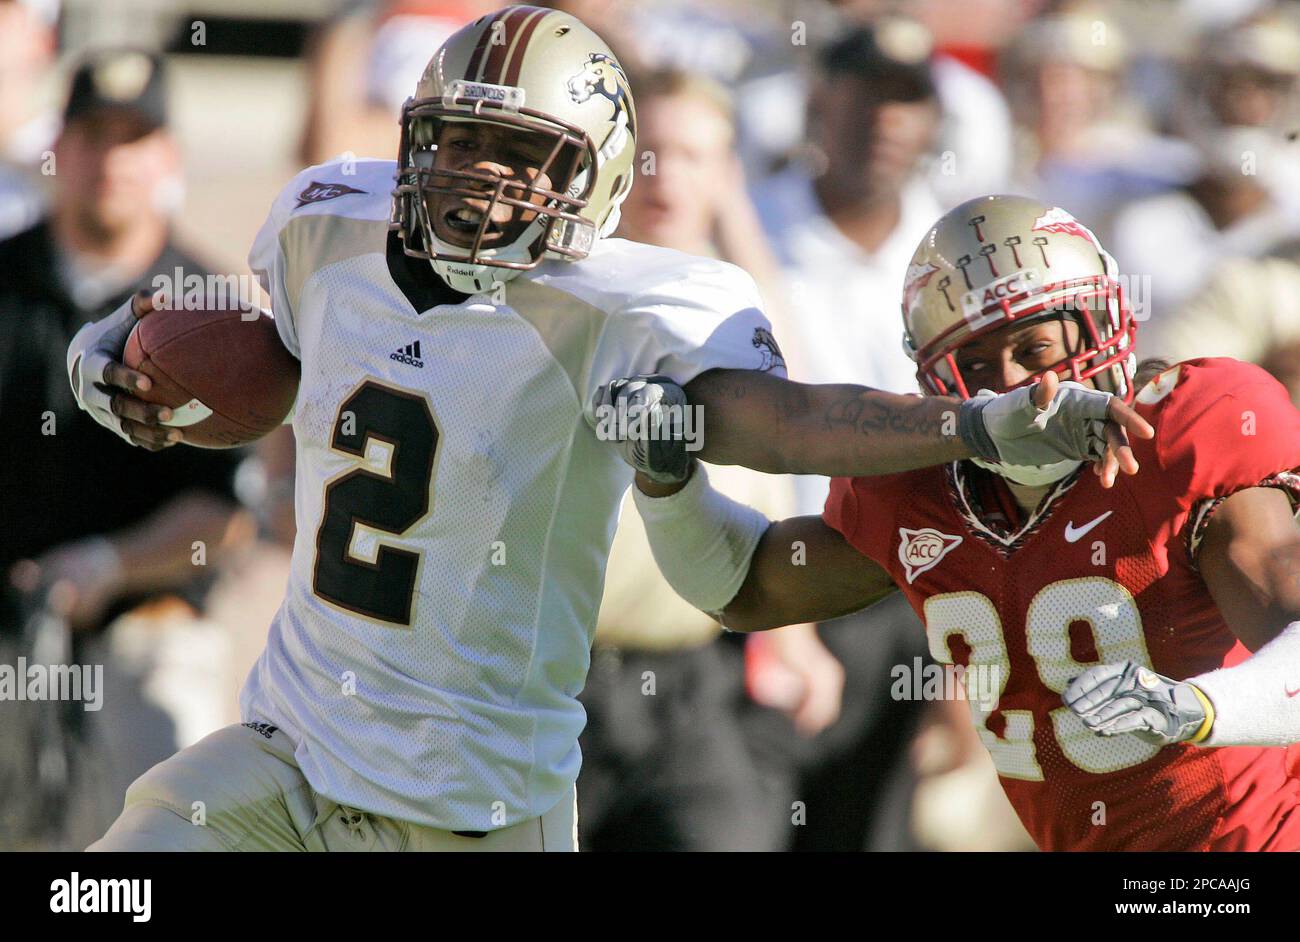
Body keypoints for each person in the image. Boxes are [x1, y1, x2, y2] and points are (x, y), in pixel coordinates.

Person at [68, 7, 1149, 852]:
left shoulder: (629, 306)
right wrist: (102, 351)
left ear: (601, 177)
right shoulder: (327, 223)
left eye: (521, 153)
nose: (483, 177)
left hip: (471, 802)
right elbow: (233, 343)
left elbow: (785, 423)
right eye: (465, 140)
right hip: (291, 750)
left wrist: (972, 425)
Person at [625, 194, 1300, 851]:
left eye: (1035, 350)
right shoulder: (918, 489)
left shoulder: (1183, 434)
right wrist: (667, 484)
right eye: (973, 366)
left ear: (1105, 327)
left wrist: (1193, 708)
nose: (1011, 386)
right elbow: (742, 589)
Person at [0, 47, 242, 849]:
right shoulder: (7, 278)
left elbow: (229, 521)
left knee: (175, 817)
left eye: (134, 139)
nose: (112, 160)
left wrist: (109, 564)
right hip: (8, 614)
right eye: (94, 135)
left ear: (166, 158)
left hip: (147, 619)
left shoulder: (207, 310)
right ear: (57, 149)